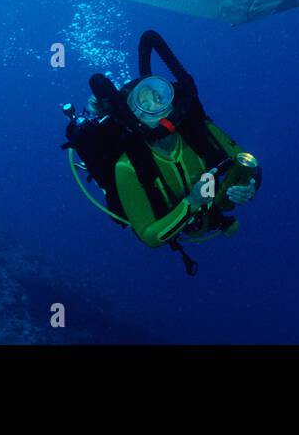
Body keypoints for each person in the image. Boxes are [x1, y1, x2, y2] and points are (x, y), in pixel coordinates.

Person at [63, 31, 260, 274]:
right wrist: (193, 202)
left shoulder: (197, 130)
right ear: (131, 118)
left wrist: (249, 186)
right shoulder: (128, 167)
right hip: (178, 220)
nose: (156, 105)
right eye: (144, 104)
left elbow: (247, 162)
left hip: (214, 212)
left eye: (158, 96)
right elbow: (149, 236)